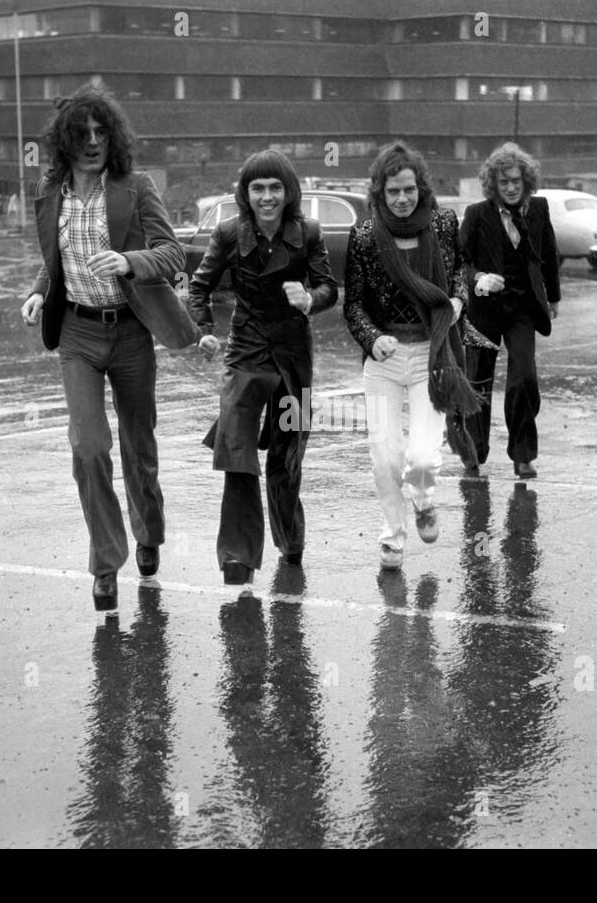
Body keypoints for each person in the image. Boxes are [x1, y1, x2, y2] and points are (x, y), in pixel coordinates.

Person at [20, 85, 198, 613]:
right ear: (65, 141)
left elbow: (172, 254)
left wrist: (129, 262)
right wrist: (37, 290)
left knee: (138, 445)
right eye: (82, 134)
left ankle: (148, 531)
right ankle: (105, 563)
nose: (93, 142)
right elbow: (58, 257)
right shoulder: (52, 193)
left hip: (129, 333)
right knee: (90, 447)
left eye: (102, 133)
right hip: (76, 333)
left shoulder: (135, 187)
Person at [186, 149, 338, 585]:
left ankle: (290, 540)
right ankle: (238, 555)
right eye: (258, 188)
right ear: (246, 193)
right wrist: (203, 329)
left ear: (288, 192)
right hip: (245, 353)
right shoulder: (230, 233)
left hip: (293, 357)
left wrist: (310, 300)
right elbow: (200, 286)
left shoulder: (307, 231)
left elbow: (328, 285)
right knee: (236, 449)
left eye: (275, 188)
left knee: (287, 456)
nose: (267, 197)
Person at [343, 140, 490, 570]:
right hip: (384, 359)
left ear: (421, 188)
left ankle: (424, 501)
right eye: (393, 192)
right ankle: (392, 536)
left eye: (409, 190)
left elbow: (461, 272)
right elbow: (353, 305)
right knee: (384, 455)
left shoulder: (444, 224)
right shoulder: (365, 236)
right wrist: (372, 338)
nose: (402, 199)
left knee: (422, 457)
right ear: (379, 193)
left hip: (434, 351)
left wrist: (459, 301)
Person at [457, 141, 560, 479]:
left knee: (524, 377)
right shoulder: (477, 214)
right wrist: (478, 279)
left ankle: (523, 455)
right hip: (484, 310)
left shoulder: (539, 209)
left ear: (526, 181)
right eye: (504, 182)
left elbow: (548, 255)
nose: (512, 187)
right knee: (478, 384)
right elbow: (459, 263)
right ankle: (473, 454)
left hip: (522, 309)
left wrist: (553, 297)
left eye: (516, 180)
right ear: (493, 185)